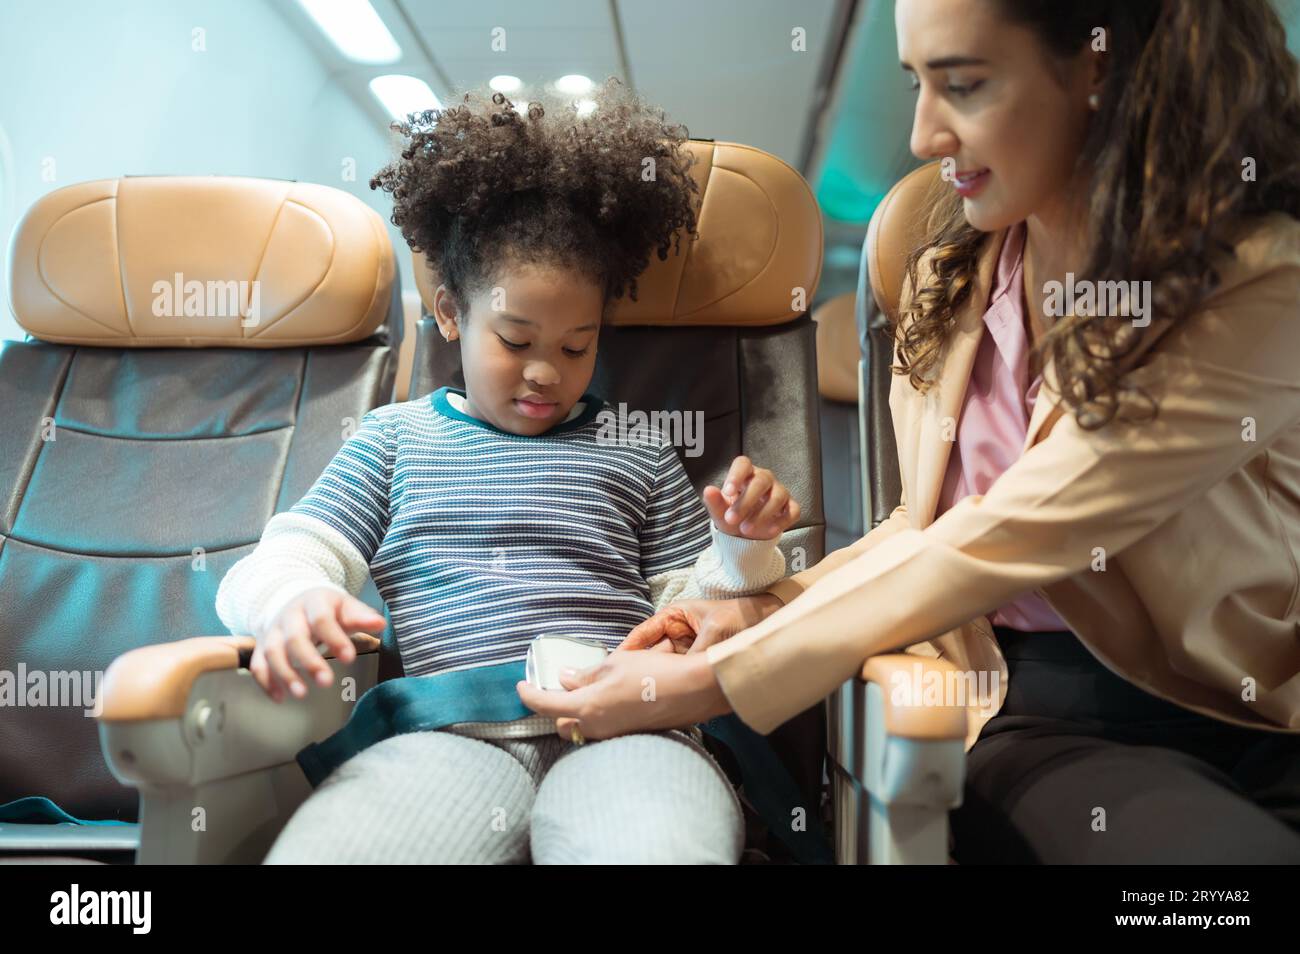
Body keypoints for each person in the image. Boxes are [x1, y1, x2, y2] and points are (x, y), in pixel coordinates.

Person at [517, 0, 1300, 863]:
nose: (924, 134)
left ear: (1101, 70)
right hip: (1033, 704)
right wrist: (754, 611)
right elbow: (925, 534)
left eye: (961, 85)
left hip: (1257, 701)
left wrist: (703, 686)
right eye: (917, 85)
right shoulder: (950, 283)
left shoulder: (1260, 281)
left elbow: (1019, 528)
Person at [215, 79, 803, 864]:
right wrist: (293, 600)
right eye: (515, 341)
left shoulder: (637, 448)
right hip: (447, 732)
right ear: (453, 313)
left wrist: (737, 550)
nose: (544, 375)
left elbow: (689, 620)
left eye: (575, 347)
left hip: (630, 726)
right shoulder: (395, 439)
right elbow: (288, 555)